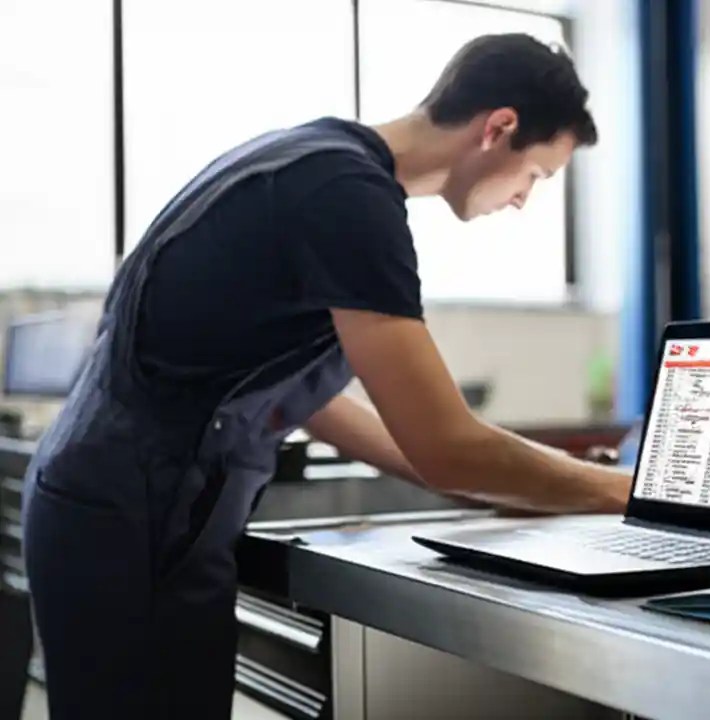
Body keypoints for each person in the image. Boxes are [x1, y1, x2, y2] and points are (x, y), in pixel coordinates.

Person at [21, 33, 631, 719]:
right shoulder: (348, 198)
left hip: (109, 503)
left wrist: (514, 481)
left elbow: (324, 406)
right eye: (536, 176)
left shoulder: (313, 160)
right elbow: (444, 445)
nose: (524, 199)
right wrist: (626, 493)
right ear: (499, 128)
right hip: (136, 519)